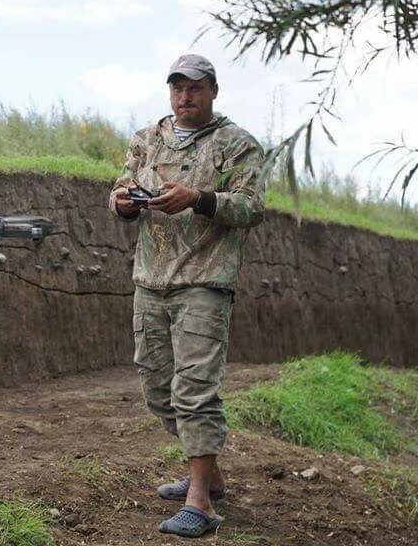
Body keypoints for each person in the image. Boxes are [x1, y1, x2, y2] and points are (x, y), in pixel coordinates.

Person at [110, 54, 265, 538]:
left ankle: (201, 504)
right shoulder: (146, 138)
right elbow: (122, 184)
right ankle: (211, 478)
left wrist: (198, 199)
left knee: (195, 388)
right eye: (177, 87)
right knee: (156, 383)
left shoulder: (236, 144)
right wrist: (123, 203)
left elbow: (252, 206)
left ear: (213, 91)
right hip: (150, 279)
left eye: (195, 88)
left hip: (204, 280)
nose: (185, 96)